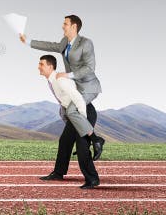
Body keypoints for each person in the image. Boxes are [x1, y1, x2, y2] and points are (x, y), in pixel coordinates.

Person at [20, 14, 104, 189]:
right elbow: (51, 46)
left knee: (81, 143)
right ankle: (59, 172)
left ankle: (93, 176)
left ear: (74, 26)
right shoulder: (64, 43)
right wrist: (28, 42)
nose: (62, 26)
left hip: (87, 88)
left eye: (65, 24)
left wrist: (69, 75)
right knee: (65, 140)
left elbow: (89, 68)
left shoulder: (86, 43)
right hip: (75, 92)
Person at [36, 55, 99, 188]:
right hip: (74, 114)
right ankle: (58, 172)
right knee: (65, 141)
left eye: (41, 64)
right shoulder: (52, 81)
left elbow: (78, 98)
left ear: (50, 66)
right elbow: (65, 102)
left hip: (83, 111)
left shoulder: (60, 79)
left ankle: (92, 179)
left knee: (82, 146)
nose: (38, 67)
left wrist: (82, 122)